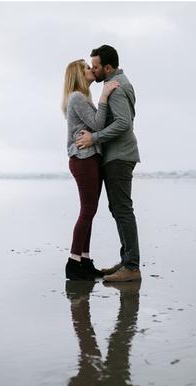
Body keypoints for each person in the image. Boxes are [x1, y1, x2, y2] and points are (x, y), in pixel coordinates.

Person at [76, 45, 141, 282]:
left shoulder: (117, 86)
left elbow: (124, 123)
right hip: (118, 155)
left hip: (120, 157)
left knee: (123, 210)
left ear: (108, 67)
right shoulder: (115, 83)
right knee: (118, 209)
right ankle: (127, 260)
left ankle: (132, 267)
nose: (92, 70)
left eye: (95, 66)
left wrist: (94, 137)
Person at [62, 59, 120, 281]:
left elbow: (95, 126)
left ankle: (84, 261)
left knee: (90, 211)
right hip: (83, 159)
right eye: (86, 67)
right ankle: (73, 263)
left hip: (89, 158)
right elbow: (97, 125)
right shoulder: (77, 97)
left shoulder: (81, 98)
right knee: (87, 211)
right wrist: (104, 97)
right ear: (78, 74)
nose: (90, 70)